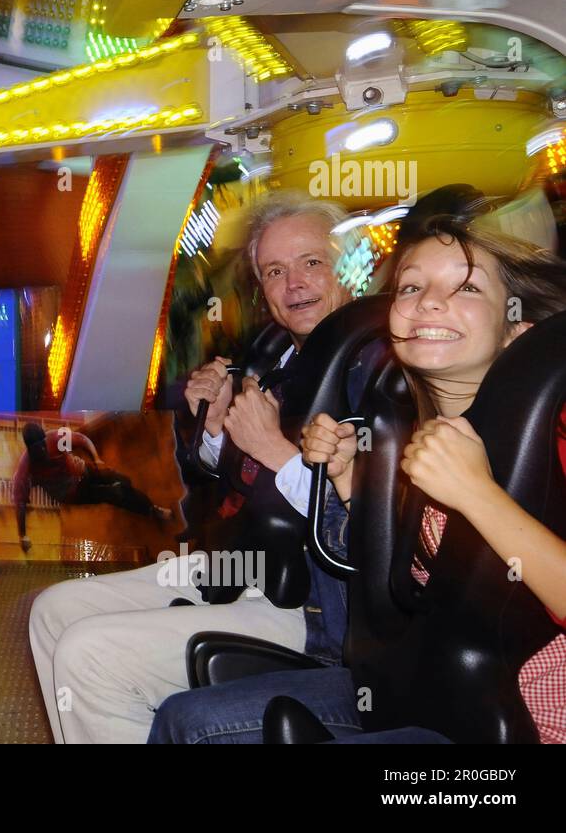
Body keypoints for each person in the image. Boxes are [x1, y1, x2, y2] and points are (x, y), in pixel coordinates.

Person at [149, 205, 566, 743]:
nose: (430, 301)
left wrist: (477, 495)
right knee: (184, 719)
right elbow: (405, 582)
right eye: (412, 288)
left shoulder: (551, 426)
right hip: (418, 684)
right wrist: (347, 483)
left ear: (519, 332)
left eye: (465, 290)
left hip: (525, 719)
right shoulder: (403, 419)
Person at [29, 194, 355, 743]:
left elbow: (371, 533)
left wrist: (274, 451)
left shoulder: (381, 363)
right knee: (53, 609)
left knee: (91, 655)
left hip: (312, 609)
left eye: (312, 262)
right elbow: (238, 473)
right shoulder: (281, 357)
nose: (294, 283)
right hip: (242, 567)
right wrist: (217, 426)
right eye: (275, 271)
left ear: (349, 267)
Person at [12, 423, 172, 553]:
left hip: (83, 471)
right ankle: (151, 510)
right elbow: (20, 505)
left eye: (43, 446)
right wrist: (23, 536)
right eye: (36, 451)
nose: (42, 452)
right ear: (29, 450)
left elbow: (82, 440)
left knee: (122, 480)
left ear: (45, 440)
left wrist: (97, 460)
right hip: (72, 493)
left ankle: (137, 500)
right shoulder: (25, 469)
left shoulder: (55, 439)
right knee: (114, 492)